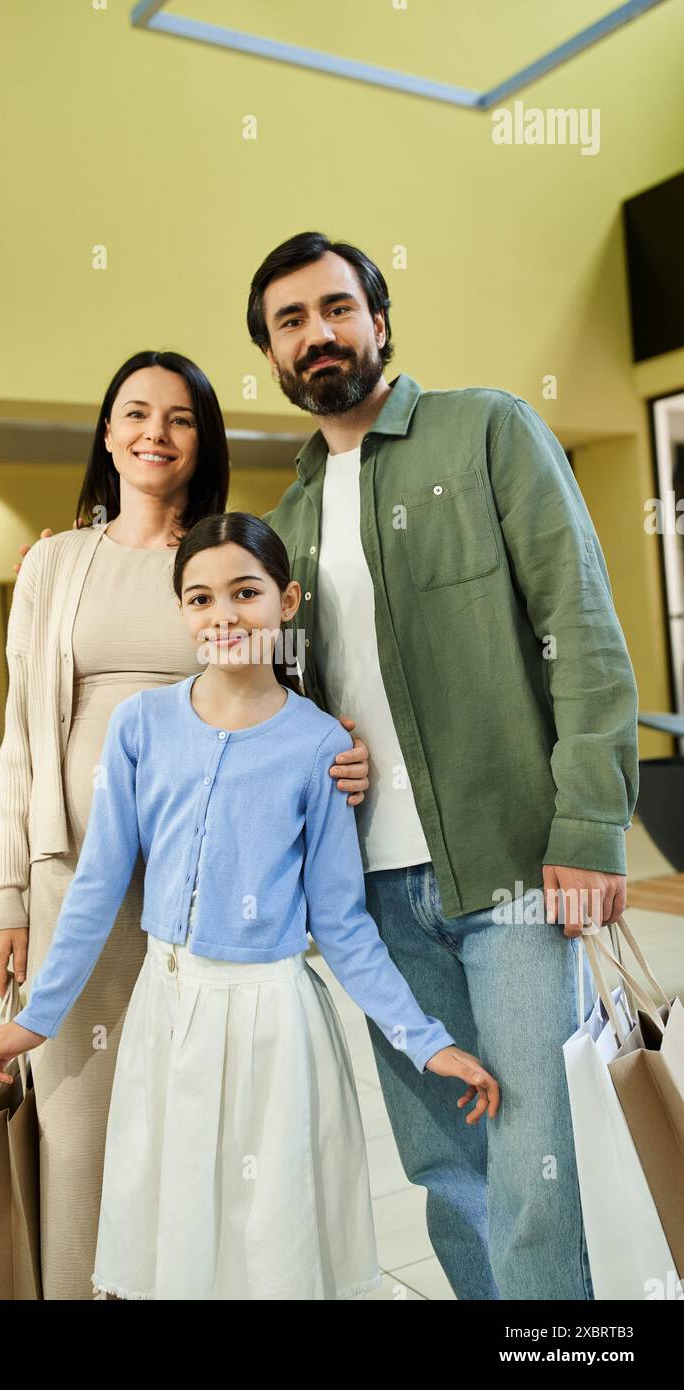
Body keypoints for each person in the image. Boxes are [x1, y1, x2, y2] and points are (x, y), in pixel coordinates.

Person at [0, 513, 500, 1301]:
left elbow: (344, 927)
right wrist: (35, 1019)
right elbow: (98, 888)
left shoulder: (320, 745)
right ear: (180, 611)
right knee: (176, 1224)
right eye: (200, 598)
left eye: (245, 593)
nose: (223, 617)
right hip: (167, 1011)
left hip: (274, 1024)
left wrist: (427, 1043)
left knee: (270, 1233)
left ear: (286, 602)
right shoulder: (141, 726)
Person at [246, 230, 640, 1300]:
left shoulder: (485, 431)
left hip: (509, 869)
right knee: (443, 1163)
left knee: (530, 1157)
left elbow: (581, 626)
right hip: (366, 896)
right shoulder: (281, 528)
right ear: (273, 357)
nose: (317, 333)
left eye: (336, 307)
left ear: (378, 321)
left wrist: (587, 826)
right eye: (290, 322)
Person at [0, 350, 371, 1298]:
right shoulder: (54, 565)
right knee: (78, 1118)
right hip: (74, 871)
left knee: (200, 1122)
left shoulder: (233, 554)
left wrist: (344, 745)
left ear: (203, 442)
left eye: (180, 418)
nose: (155, 432)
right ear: (108, 433)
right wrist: (4, 895)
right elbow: (21, 744)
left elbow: (298, 693)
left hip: (212, 879)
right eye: (135, 413)